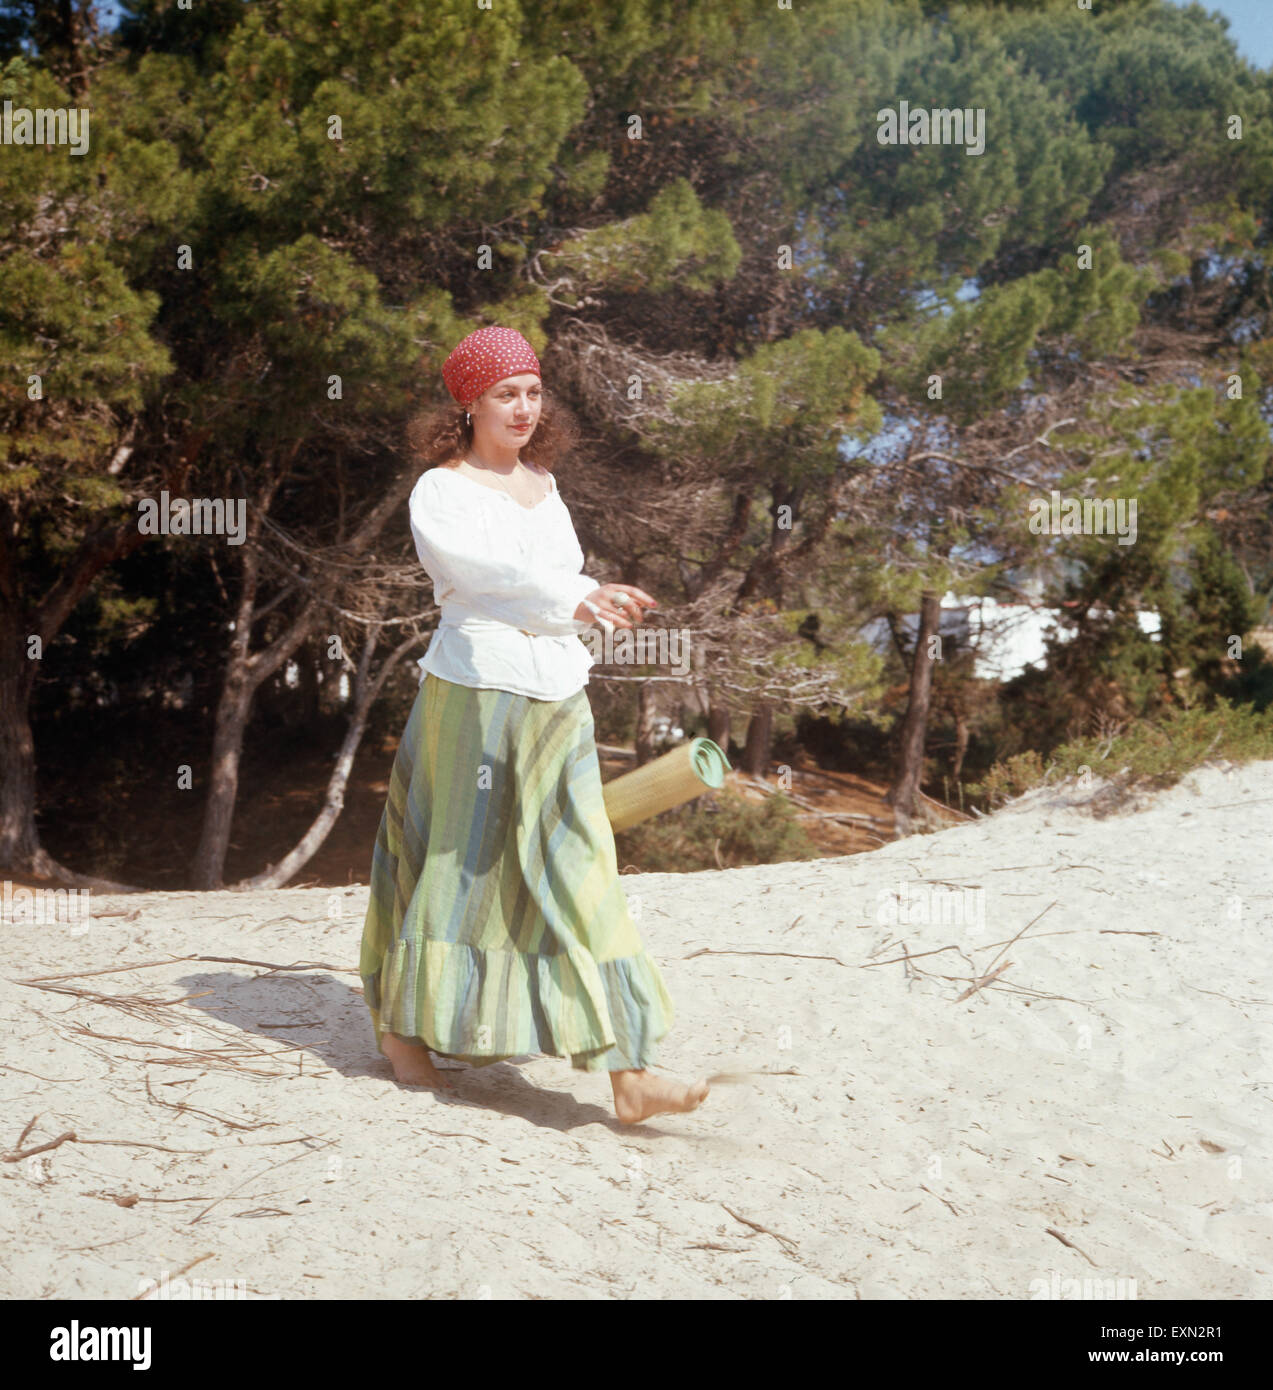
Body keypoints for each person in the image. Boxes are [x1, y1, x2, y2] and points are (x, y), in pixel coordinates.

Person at [359, 325, 710, 1125]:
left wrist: (595, 595)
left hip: (554, 689)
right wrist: (575, 597)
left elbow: (555, 576)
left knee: (580, 859)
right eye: (504, 394)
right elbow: (481, 579)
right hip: (477, 690)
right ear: (468, 405)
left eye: (531, 391)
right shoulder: (439, 491)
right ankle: (403, 1032)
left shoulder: (545, 486)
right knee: (459, 858)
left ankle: (629, 1069)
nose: (522, 407)